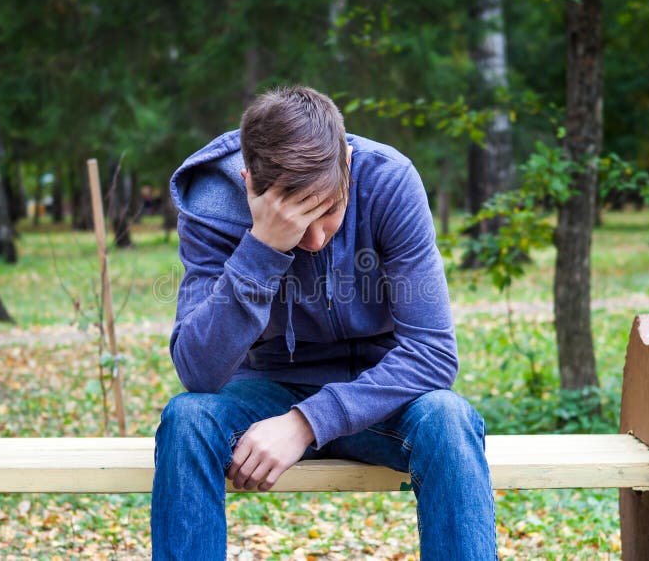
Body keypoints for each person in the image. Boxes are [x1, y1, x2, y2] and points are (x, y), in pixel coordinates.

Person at [151, 86, 497, 560]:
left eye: (328, 211)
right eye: (297, 221)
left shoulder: (388, 181)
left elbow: (433, 355)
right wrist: (263, 247)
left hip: (382, 395)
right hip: (269, 387)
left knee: (449, 419)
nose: (313, 240)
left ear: (347, 168)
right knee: (187, 419)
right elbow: (198, 372)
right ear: (248, 182)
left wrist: (306, 423)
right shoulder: (212, 205)